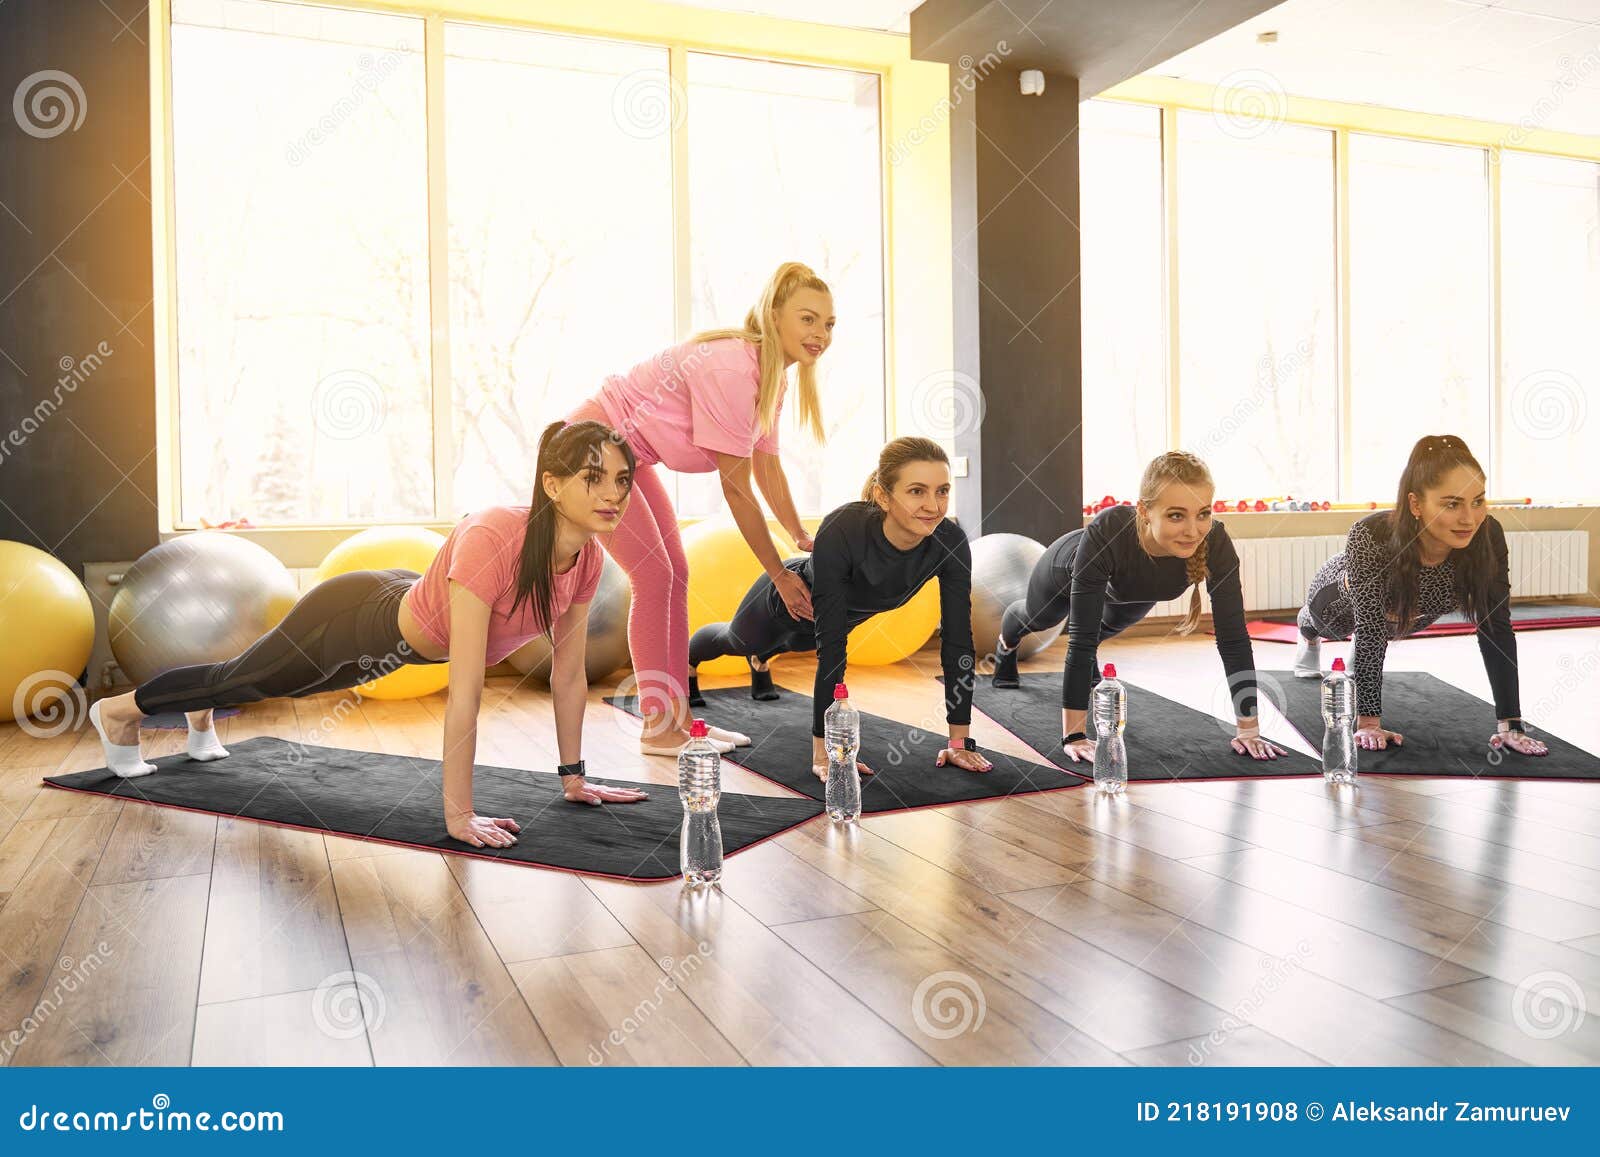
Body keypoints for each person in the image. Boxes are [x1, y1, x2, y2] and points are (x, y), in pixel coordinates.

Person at [87, 420, 650, 849]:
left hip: (406, 622)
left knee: (274, 685)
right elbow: (467, 692)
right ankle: (120, 711)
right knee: (252, 680)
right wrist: (458, 815)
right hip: (356, 619)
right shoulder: (495, 537)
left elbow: (570, 676)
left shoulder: (587, 560)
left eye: (621, 480)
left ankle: (205, 708)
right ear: (551, 484)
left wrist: (574, 779)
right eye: (592, 478)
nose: (613, 494)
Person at [566, 261, 832, 757]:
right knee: (653, 576)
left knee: (675, 572)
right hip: (592, 447)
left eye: (828, 323)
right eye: (808, 319)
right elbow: (738, 488)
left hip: (627, 452)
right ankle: (657, 726)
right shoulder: (733, 369)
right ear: (775, 317)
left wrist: (801, 536)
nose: (820, 333)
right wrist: (778, 574)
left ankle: (681, 721)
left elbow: (767, 468)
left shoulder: (770, 377)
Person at [688, 437, 991, 781]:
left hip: (831, 624)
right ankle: (690, 660)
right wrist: (825, 753)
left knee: (794, 644)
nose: (933, 505)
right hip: (785, 603)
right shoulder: (845, 528)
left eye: (942, 491)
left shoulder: (948, 542)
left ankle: (761, 661)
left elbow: (957, 641)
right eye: (917, 491)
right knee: (736, 640)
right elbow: (832, 649)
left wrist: (959, 741)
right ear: (883, 496)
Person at [990, 451, 1286, 765]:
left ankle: (1085, 663)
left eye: (1202, 513)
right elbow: (1080, 639)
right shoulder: (1110, 529)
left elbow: (1233, 638)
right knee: (1040, 619)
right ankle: (1006, 644)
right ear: (1145, 511)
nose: (1193, 530)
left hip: (1130, 592)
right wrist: (1075, 736)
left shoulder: (1215, 541)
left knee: (1106, 630)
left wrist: (1249, 729)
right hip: (1063, 570)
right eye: (1176, 515)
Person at [1293, 434, 1548, 757]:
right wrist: (1369, 722)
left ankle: (1360, 649)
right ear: (1416, 504)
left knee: (1380, 630)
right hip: (1337, 602)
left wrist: (1510, 724)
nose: (1469, 518)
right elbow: (1370, 628)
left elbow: (1496, 625)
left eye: (1478, 501)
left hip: (1408, 616)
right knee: (1333, 628)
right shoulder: (1371, 534)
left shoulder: (1488, 535)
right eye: (1452, 504)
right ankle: (1307, 634)